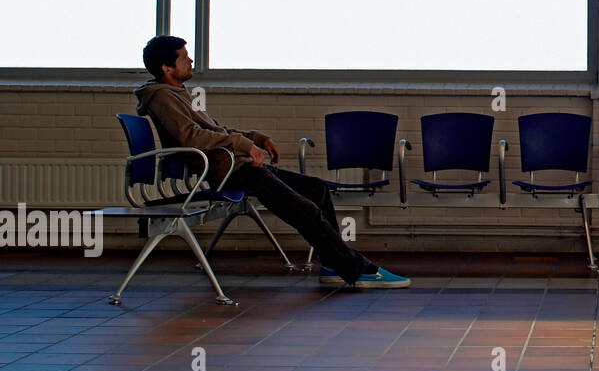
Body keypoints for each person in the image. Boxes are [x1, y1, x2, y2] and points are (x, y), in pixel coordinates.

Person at [135, 35, 409, 289]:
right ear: (167, 68)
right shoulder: (162, 97)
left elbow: (216, 131)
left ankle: (332, 266)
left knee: (315, 189)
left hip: (236, 165)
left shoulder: (179, 93)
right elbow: (190, 137)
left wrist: (255, 138)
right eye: (184, 57)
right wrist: (243, 144)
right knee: (304, 209)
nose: (191, 61)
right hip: (226, 171)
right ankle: (357, 269)